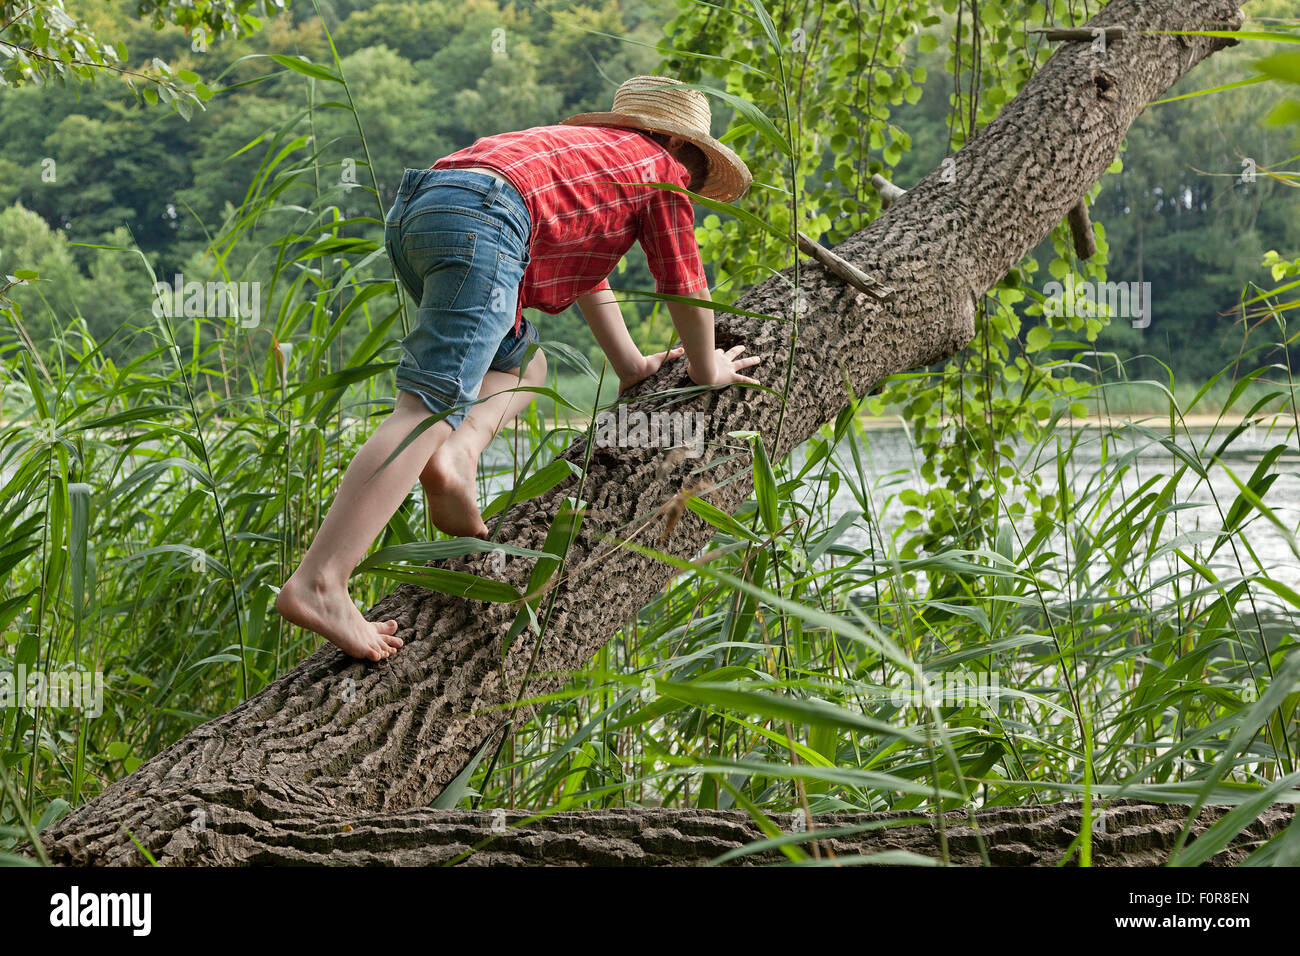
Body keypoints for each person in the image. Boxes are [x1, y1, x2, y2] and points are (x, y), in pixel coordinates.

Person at [276, 75, 761, 661]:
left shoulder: (582, 156)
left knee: (523, 362)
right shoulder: (662, 169)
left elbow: (590, 275)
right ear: (676, 143)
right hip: (488, 220)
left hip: (425, 210)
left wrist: (631, 365)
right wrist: (707, 368)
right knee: (427, 405)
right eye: (695, 166)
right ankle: (320, 581)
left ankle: (456, 458)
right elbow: (683, 281)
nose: (692, 180)